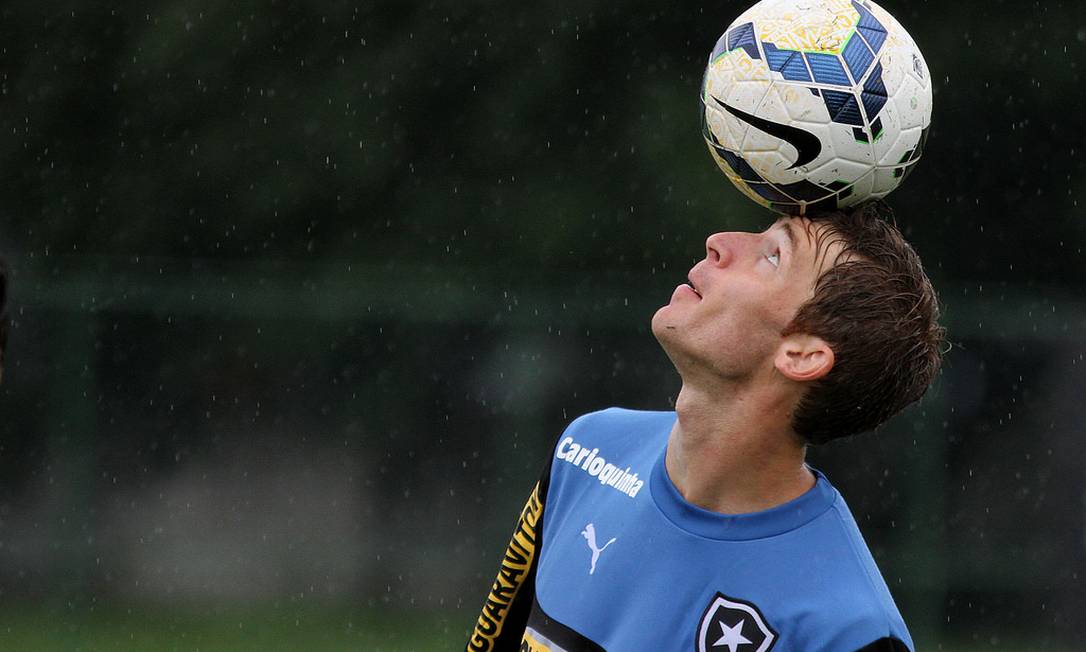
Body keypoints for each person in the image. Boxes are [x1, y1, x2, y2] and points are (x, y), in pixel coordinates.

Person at [466, 201, 944, 652]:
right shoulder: (588, 450)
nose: (719, 241)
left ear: (802, 355)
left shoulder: (845, 630)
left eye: (773, 256)